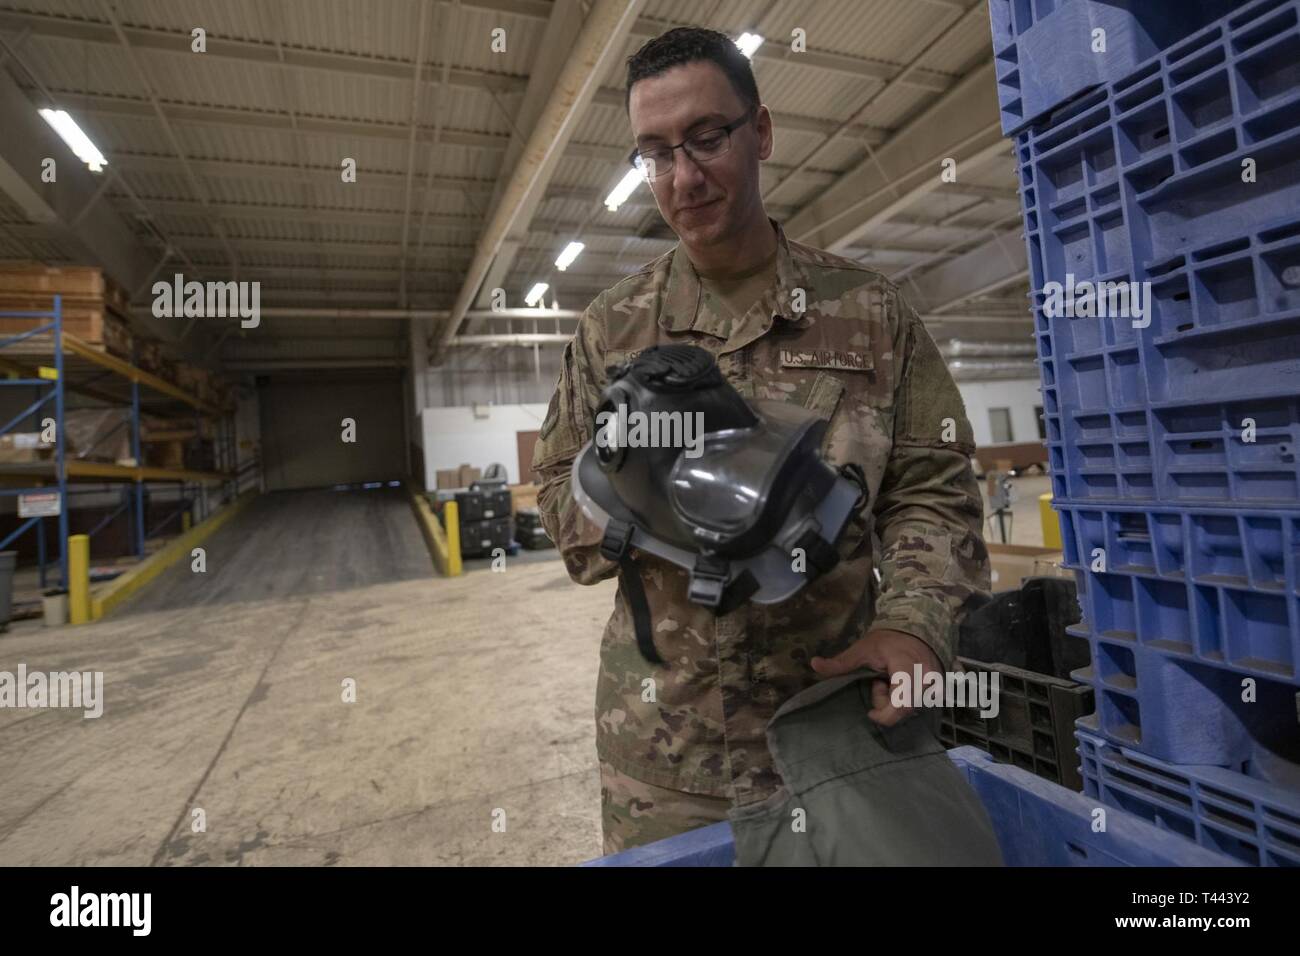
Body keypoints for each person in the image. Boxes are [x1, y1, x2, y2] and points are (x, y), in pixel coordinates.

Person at [531, 26, 991, 855]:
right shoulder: (611, 331)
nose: (683, 175)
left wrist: (917, 623)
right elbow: (562, 512)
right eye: (655, 152)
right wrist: (641, 480)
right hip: (665, 761)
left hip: (834, 726)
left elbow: (934, 487)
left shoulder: (871, 314)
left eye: (707, 138)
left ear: (763, 131)